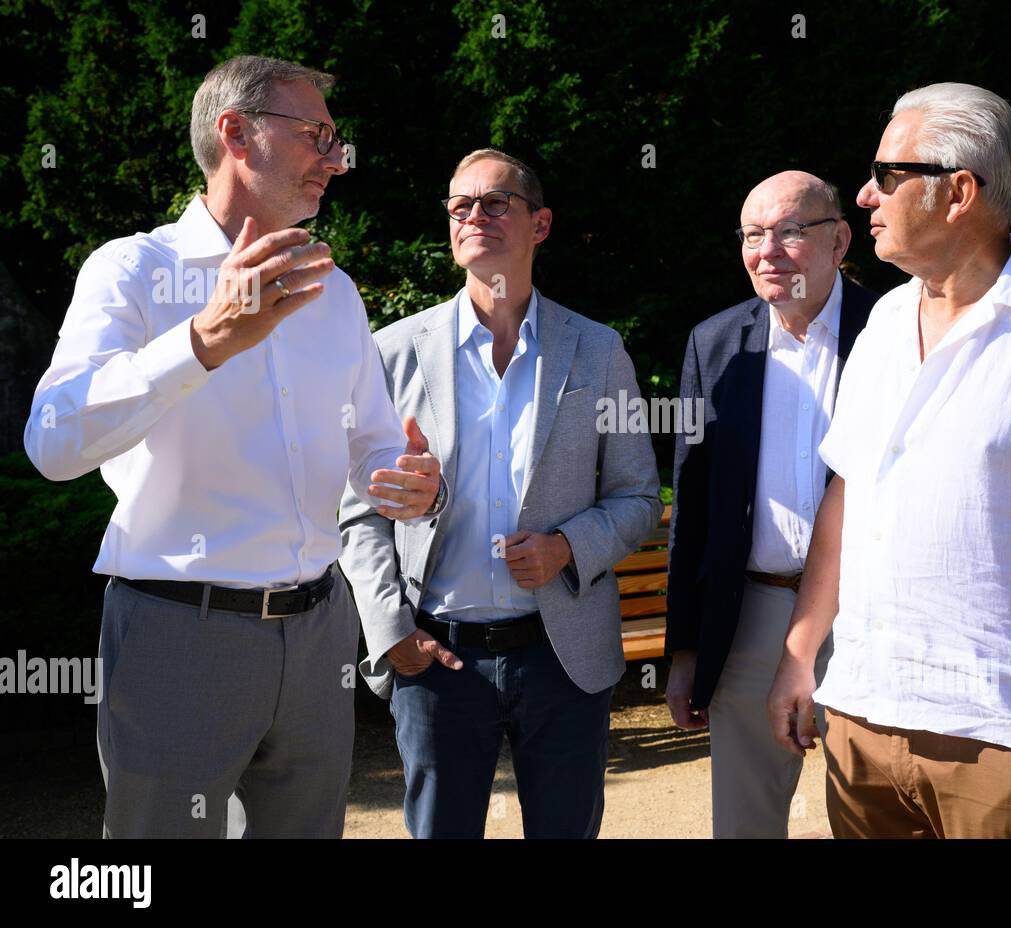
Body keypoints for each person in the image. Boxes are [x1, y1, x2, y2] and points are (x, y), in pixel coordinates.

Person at [24, 55, 443, 838]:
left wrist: (408, 481)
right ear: (237, 133)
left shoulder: (335, 289)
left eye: (336, 137)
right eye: (317, 134)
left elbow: (376, 447)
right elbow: (53, 443)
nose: (336, 158)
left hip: (321, 634)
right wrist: (202, 341)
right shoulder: (131, 271)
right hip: (180, 635)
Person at [766, 83, 1011, 838]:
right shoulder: (883, 321)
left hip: (1003, 741)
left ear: (958, 191)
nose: (864, 195)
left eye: (887, 175)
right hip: (861, 721)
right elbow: (847, 501)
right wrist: (801, 654)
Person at [338, 148, 662, 839]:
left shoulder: (598, 351)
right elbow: (357, 513)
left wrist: (567, 547)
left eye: (495, 203)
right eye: (460, 205)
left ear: (539, 224)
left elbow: (639, 494)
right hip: (436, 657)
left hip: (562, 654)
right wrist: (391, 631)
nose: (474, 216)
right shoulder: (392, 351)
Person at [665, 171, 877, 837]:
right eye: (753, 235)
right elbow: (692, 505)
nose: (768, 250)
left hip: (875, 613)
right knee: (746, 822)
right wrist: (686, 649)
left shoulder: (897, 330)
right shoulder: (716, 344)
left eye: (790, 231)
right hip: (750, 613)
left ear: (839, 239)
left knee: (876, 814)